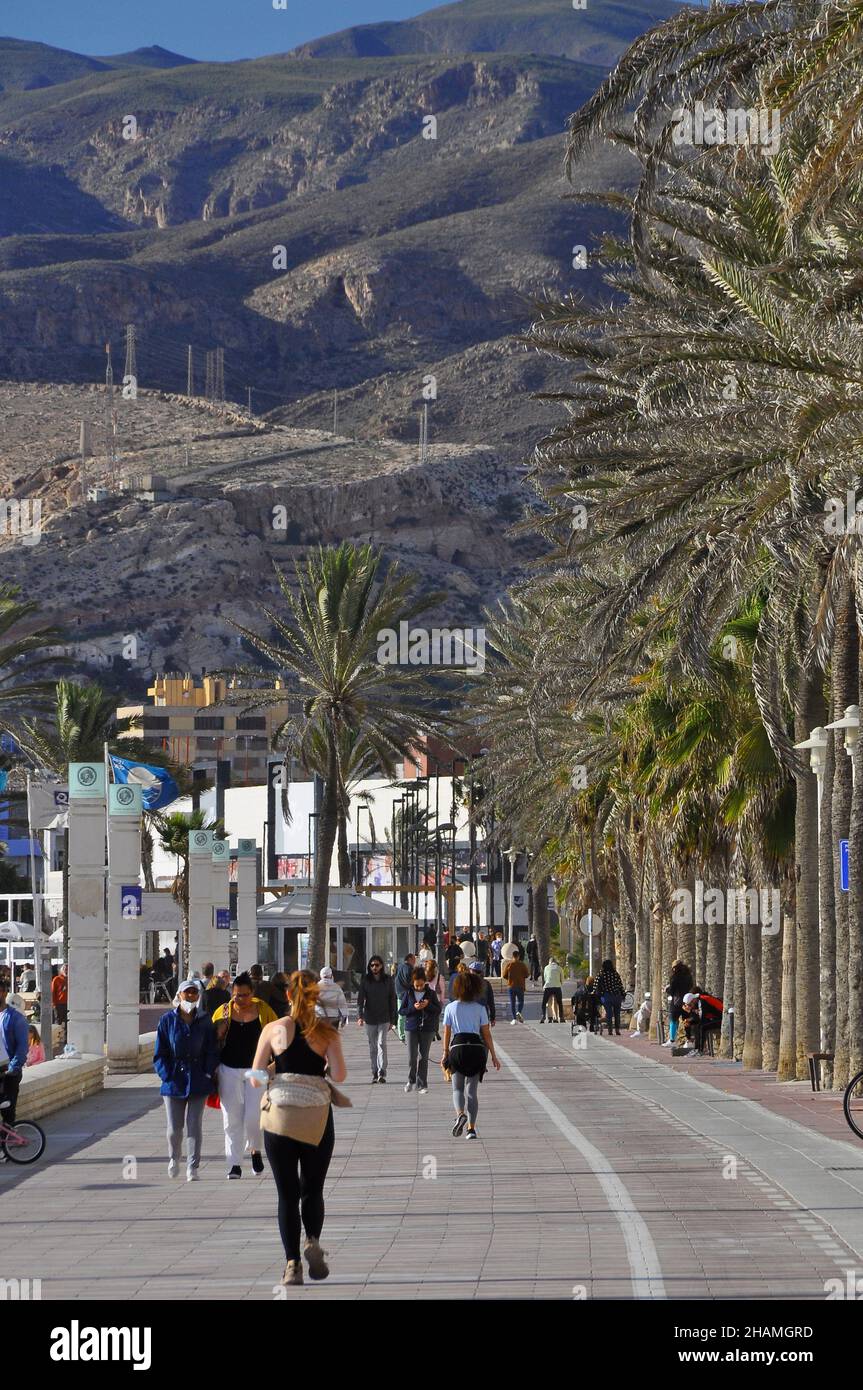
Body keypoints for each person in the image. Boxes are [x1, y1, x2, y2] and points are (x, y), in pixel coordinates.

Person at [250, 970, 347, 1286]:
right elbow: (340, 1075)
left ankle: (292, 1265)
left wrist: (275, 1067)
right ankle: (313, 1241)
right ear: (315, 997)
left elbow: (255, 1078)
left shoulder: (272, 1029)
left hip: (280, 1115)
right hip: (316, 1115)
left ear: (288, 996)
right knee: (313, 1188)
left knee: (287, 1194)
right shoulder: (326, 1032)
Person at [212, 972, 278, 1178]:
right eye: (237, 995)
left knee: (253, 1115)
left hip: (257, 1070)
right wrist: (219, 1032)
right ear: (232, 993)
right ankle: (234, 1164)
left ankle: (255, 1150)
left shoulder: (264, 1011)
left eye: (245, 995)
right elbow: (211, 1041)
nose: (241, 999)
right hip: (228, 1069)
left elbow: (277, 1037)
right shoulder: (222, 1012)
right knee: (231, 1118)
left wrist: (276, 1064)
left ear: (252, 993)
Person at [153, 978, 219, 1182]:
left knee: (194, 1125)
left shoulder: (205, 1020)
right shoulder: (167, 1020)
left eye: (194, 993)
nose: (190, 996)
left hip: (199, 1078)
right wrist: (167, 1074)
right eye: (187, 993)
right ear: (179, 995)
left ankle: (193, 1166)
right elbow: (160, 1053)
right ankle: (174, 1158)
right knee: (175, 1128)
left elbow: (212, 1049)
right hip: (174, 1079)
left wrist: (208, 1072)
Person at [441, 966, 500, 1140]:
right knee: (472, 1091)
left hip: (458, 1047)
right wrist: (494, 1056)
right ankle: (471, 1129)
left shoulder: (451, 1008)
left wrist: (445, 1053)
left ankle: (460, 1113)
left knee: (457, 1088)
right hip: (476, 1048)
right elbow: (487, 1034)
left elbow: (446, 1032)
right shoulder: (480, 1008)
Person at [400, 965, 441, 1093]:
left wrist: (427, 1005)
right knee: (412, 1057)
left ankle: (422, 1084)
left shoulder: (431, 993)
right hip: (411, 1028)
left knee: (424, 1057)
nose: (419, 987)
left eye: (421, 985)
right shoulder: (408, 993)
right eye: (416, 985)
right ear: (413, 982)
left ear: (425, 982)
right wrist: (414, 1008)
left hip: (427, 1028)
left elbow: (438, 1010)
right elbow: (401, 1010)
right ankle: (411, 1080)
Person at [356, 955, 397, 1082]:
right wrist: (360, 1016)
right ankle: (374, 1071)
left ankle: (382, 1071)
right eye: (372, 965)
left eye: (377, 965)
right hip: (370, 1018)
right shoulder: (365, 980)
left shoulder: (388, 980)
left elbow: (392, 999)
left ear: (381, 966)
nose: (374, 967)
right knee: (372, 1046)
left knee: (381, 1043)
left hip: (384, 1018)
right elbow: (360, 999)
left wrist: (393, 1020)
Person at [0, 977, 29, 1128]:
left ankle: (8, 1142)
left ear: (4, 992)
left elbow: (22, 1047)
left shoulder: (15, 1018)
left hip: (8, 1071)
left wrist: (13, 1068)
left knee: (7, 1111)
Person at [663, 959, 695, 1047]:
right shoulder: (688, 976)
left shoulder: (674, 977)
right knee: (686, 1020)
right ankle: (689, 1041)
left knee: (673, 1020)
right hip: (687, 1001)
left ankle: (672, 1040)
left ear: (674, 968)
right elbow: (691, 986)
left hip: (676, 1002)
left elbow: (672, 991)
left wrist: (667, 990)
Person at [681, 990, 723, 1054]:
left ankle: (700, 1050)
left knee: (702, 1027)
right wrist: (690, 1022)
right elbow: (699, 1018)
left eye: (690, 1005)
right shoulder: (698, 1001)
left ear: (693, 1000)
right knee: (697, 1026)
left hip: (721, 1019)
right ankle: (696, 1048)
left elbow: (702, 1018)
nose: (690, 1006)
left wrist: (691, 1011)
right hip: (714, 1017)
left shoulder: (702, 1001)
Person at [595, 959, 626, 1035]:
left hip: (607, 996)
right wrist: (623, 994)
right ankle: (617, 1030)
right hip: (616, 995)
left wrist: (598, 996)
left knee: (609, 1014)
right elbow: (620, 985)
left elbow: (596, 985)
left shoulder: (601, 974)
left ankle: (610, 1030)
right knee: (617, 1013)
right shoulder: (615, 973)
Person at [502, 947, 529, 1024]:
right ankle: (519, 1012)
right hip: (520, 985)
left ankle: (514, 1018)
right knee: (521, 1001)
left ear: (512, 956)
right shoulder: (522, 964)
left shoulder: (509, 965)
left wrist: (510, 979)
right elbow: (527, 975)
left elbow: (504, 975)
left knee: (512, 1002)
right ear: (518, 956)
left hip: (511, 986)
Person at [394, 953, 416, 1043]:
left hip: (399, 993)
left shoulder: (400, 966)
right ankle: (405, 1033)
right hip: (407, 994)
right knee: (407, 1013)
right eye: (414, 959)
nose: (415, 961)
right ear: (410, 959)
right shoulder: (409, 968)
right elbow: (410, 981)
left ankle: (401, 1034)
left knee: (401, 1015)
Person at [468, 958, 496, 1024]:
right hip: (483, 1013)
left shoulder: (467, 983)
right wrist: (492, 1018)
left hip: (469, 1014)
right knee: (484, 1033)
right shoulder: (486, 983)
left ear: (472, 971)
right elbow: (491, 1002)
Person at [425, 957, 447, 1038]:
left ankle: (430, 1030)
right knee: (436, 1016)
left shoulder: (424, 975)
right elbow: (442, 989)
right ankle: (436, 1031)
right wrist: (442, 1000)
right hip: (436, 999)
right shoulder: (439, 977)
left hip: (427, 998)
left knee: (428, 1015)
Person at [541, 956, 564, 1022]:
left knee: (545, 1002)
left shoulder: (546, 967)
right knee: (559, 1003)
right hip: (557, 987)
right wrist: (559, 984)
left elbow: (545, 978)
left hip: (548, 987)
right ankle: (561, 1017)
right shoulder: (559, 968)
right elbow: (562, 978)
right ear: (556, 962)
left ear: (549, 962)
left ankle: (545, 1016)